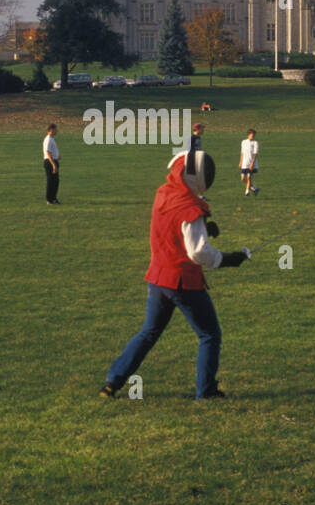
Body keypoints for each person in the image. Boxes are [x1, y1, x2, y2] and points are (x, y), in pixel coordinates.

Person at [100, 145, 249, 400]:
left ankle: (112, 383)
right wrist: (228, 259)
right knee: (210, 334)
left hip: (158, 278)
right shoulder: (190, 209)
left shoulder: (164, 193)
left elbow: (173, 228)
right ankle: (206, 391)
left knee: (148, 332)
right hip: (183, 282)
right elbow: (197, 253)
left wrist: (204, 227)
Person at [42, 122, 60, 204]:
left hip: (53, 160)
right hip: (50, 162)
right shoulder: (48, 139)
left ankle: (53, 198)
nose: (57, 131)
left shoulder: (52, 139)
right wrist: (53, 165)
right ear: (51, 130)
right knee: (51, 181)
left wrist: (57, 156)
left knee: (55, 181)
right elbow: (48, 152)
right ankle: (49, 199)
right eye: (56, 129)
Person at [239, 128, 259, 196]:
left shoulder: (255, 143)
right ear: (248, 135)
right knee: (242, 178)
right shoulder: (243, 142)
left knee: (249, 177)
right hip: (245, 163)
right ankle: (254, 188)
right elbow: (242, 152)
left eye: (253, 135)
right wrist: (240, 162)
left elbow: (255, 154)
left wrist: (252, 164)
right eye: (251, 135)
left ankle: (247, 191)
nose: (252, 136)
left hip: (251, 164)